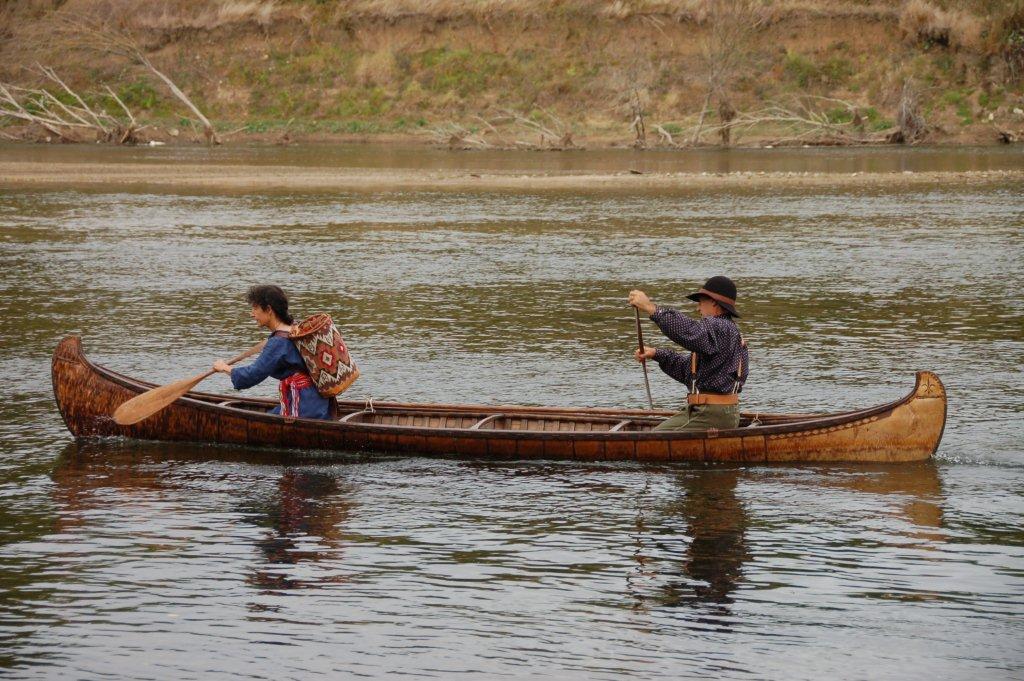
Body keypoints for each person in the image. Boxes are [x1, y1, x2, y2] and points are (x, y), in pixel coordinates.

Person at [628, 276, 749, 432]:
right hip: (721, 412)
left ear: (713, 302)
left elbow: (689, 332)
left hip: (710, 414)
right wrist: (656, 354)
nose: (698, 308)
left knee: (653, 439)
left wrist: (651, 308)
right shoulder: (729, 331)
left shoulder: (718, 326)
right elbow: (689, 372)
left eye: (700, 302)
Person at [213, 285, 332, 420]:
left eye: (255, 308)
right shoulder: (295, 327)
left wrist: (224, 368)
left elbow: (251, 375)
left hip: (304, 406)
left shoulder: (278, 343)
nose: (252, 314)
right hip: (319, 402)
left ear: (269, 310)